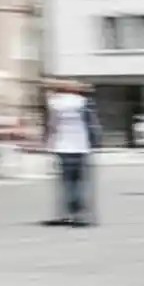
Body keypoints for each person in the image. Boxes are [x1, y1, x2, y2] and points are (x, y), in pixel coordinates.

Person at [44, 79, 101, 226]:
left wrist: (48, 144)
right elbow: (92, 124)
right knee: (81, 182)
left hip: (61, 147)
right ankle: (81, 214)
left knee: (67, 183)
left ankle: (69, 213)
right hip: (80, 147)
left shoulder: (53, 103)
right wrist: (95, 141)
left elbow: (51, 126)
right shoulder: (82, 102)